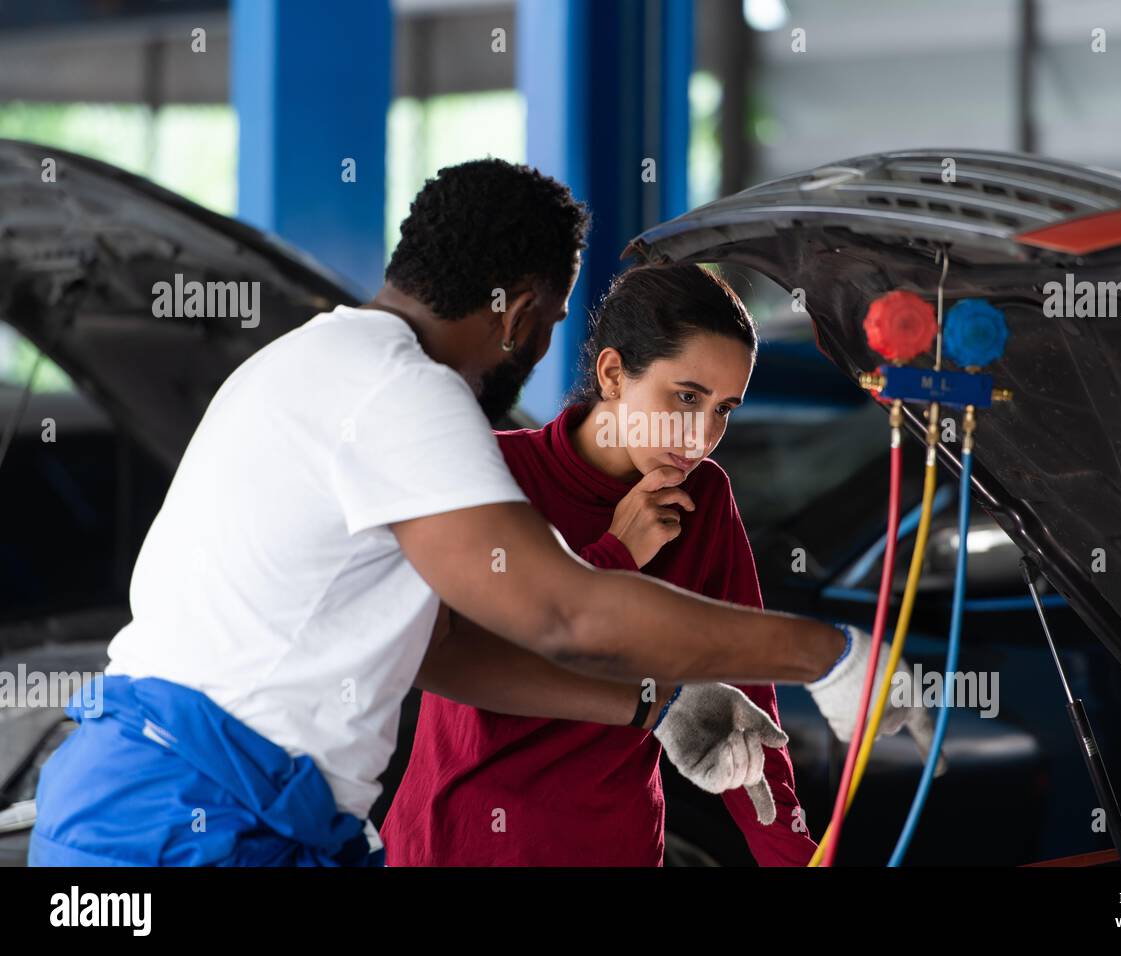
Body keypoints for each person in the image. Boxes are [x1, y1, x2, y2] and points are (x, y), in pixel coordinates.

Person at [28, 159, 916, 867]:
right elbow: (564, 615)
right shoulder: (407, 394)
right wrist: (830, 655)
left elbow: (445, 649)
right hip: (188, 821)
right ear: (522, 312)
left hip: (182, 803)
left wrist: (654, 705)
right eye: (552, 321)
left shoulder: (317, 360)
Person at [382, 264, 817, 865]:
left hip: (619, 846)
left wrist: (792, 855)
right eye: (686, 397)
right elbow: (471, 654)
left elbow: (747, 701)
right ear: (614, 374)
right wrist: (614, 557)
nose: (699, 437)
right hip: (466, 841)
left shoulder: (706, 498)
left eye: (724, 409)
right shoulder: (492, 472)